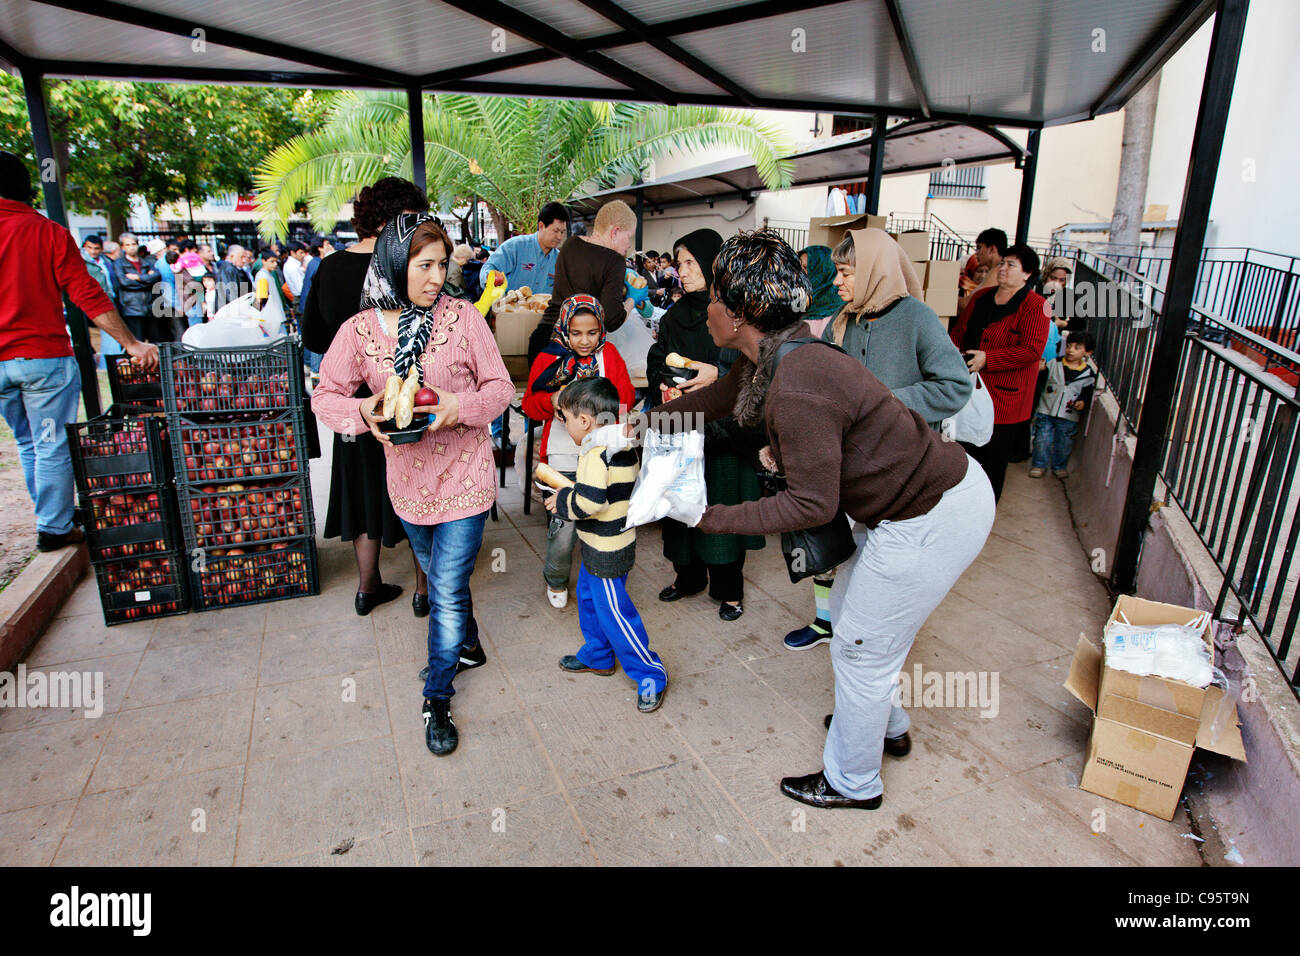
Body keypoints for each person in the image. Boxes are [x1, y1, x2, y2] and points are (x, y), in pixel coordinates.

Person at [653, 228, 994, 810]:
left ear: (735, 314)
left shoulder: (799, 383)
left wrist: (708, 517)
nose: (702, 306)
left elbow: (812, 505)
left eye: (712, 296)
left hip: (933, 515)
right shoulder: (775, 353)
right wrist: (638, 428)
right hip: (920, 504)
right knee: (853, 623)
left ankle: (852, 782)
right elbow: (714, 401)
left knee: (860, 648)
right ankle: (883, 724)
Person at [312, 214, 514, 756]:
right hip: (407, 481)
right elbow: (325, 395)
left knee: (445, 587)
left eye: (442, 265)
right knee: (437, 573)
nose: (436, 277)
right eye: (424, 265)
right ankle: (467, 644)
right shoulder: (358, 331)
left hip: (467, 474)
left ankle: (437, 696)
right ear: (395, 264)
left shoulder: (465, 318)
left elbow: (500, 390)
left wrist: (458, 406)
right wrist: (365, 411)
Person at [781, 228, 973, 652]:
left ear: (873, 271)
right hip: (851, 465)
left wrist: (886, 402)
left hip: (901, 473)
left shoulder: (916, 319)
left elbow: (956, 386)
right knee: (834, 547)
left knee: (882, 563)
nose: (837, 283)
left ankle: (875, 638)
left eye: (846, 272)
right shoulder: (840, 323)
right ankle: (830, 623)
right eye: (836, 273)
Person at [0, 151, 159, 551]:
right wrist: (131, 343)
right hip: (41, 361)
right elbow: (86, 293)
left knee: (27, 443)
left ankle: (51, 515)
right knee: (50, 442)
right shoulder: (45, 231)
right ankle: (53, 529)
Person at [300, 176, 433, 619]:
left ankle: (366, 587)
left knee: (361, 493)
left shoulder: (330, 268)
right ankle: (422, 592)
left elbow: (314, 336)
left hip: (353, 404)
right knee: (420, 491)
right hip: (407, 398)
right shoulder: (410, 264)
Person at [646, 228, 763, 622]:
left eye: (690, 262)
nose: (682, 270)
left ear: (714, 265)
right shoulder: (676, 314)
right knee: (682, 506)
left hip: (724, 430)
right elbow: (658, 356)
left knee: (721, 505)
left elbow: (754, 364)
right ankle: (687, 577)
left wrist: (718, 372)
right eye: (680, 263)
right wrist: (665, 380)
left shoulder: (737, 312)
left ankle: (729, 590)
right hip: (683, 426)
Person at [543, 377, 667, 713]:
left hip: (608, 549)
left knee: (616, 614)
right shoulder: (619, 449)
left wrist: (562, 501)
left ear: (584, 421)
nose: (565, 425)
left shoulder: (596, 453)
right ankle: (598, 655)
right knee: (588, 600)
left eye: (565, 418)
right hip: (600, 544)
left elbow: (591, 501)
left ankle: (650, 674)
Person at [522, 295, 635, 609]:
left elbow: (625, 399)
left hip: (601, 455)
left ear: (601, 330)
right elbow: (529, 405)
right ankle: (556, 576)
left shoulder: (609, 355)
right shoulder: (549, 357)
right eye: (576, 333)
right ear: (564, 330)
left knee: (599, 516)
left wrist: (603, 399)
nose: (584, 341)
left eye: (592, 332)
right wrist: (554, 399)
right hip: (561, 455)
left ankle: (596, 577)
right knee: (564, 525)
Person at [947, 242, 1049, 501]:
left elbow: (1031, 350)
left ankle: (985, 509)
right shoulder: (982, 297)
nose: (1002, 268)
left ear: (1027, 274)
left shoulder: (1035, 306)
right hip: (968, 387)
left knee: (992, 459)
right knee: (963, 451)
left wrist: (988, 358)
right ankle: (959, 505)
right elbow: (960, 331)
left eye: (1010, 265)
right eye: (1002, 262)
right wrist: (954, 351)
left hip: (1005, 397)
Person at [528, 200, 636, 367]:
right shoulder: (615, 260)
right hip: (573, 353)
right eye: (629, 237)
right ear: (615, 231)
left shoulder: (570, 244)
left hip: (542, 340)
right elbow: (612, 319)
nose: (629, 245)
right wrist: (632, 300)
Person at [1030, 331, 1097, 479]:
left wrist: (1082, 403)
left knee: (1064, 443)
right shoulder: (1054, 363)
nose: (1071, 350)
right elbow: (1041, 381)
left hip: (1068, 416)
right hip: (1046, 410)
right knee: (1042, 439)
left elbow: (1087, 394)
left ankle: (1059, 466)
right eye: (1069, 346)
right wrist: (1040, 371)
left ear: (1088, 352)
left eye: (1077, 347)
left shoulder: (1088, 375)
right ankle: (1039, 465)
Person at [483, 201, 569, 298]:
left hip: (541, 312)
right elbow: (489, 268)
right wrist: (491, 279)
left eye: (562, 232)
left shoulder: (559, 259)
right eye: (556, 231)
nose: (559, 237)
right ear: (541, 226)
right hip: (508, 310)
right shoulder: (515, 246)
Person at [112, 233, 161, 342]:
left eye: (133, 244)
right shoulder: (118, 263)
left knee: (156, 341)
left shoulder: (147, 262)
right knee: (137, 341)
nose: (131, 247)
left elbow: (156, 277)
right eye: (127, 244)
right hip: (131, 309)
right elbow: (125, 282)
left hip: (150, 307)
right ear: (123, 247)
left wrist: (137, 277)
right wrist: (146, 278)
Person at [956, 227, 1007, 315]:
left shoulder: (996, 273)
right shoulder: (1000, 270)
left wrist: (944, 294)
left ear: (992, 249)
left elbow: (967, 304)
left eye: (979, 248)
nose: (976, 253)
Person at [797, 244, 843, 338]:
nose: (799, 273)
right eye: (799, 267)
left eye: (806, 268)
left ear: (822, 272)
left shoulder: (837, 313)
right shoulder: (797, 299)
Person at [214, 244, 253, 311]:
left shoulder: (233, 269)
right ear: (232, 256)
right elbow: (230, 294)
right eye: (241, 257)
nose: (244, 260)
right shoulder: (229, 270)